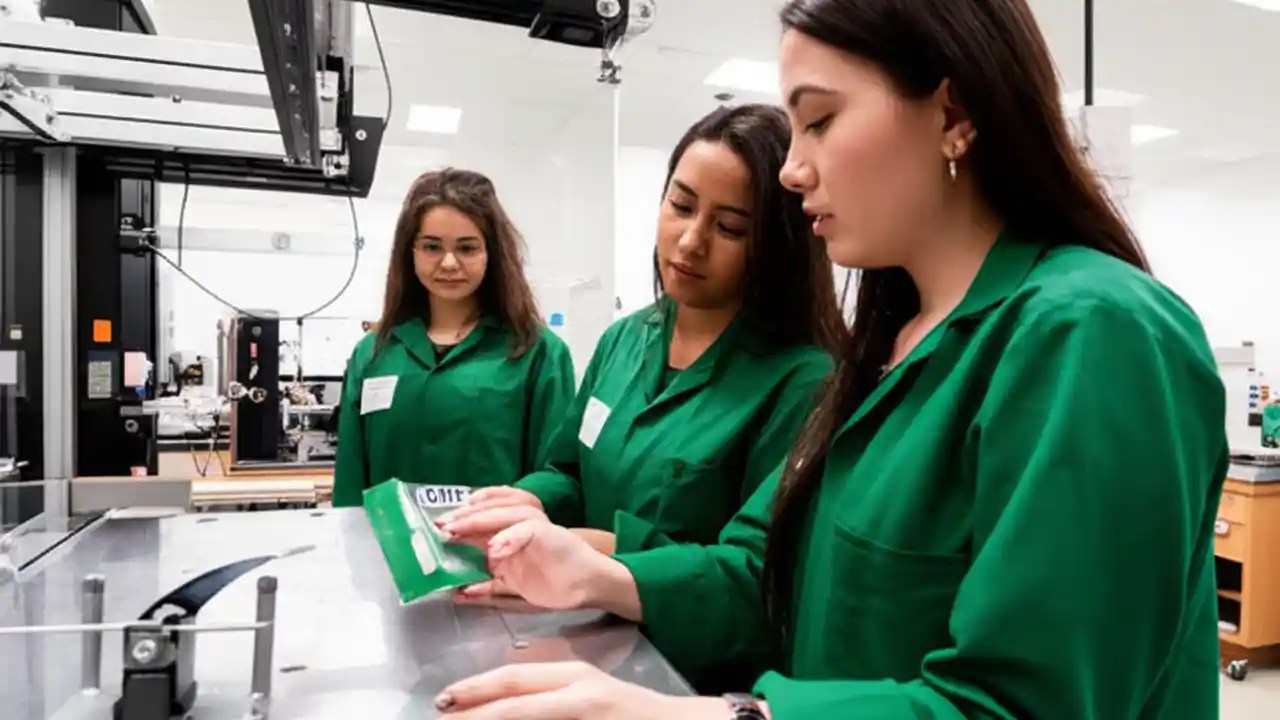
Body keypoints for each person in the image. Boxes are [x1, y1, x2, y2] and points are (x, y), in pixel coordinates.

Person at [433, 1, 1229, 719]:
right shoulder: (887, 354)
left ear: (952, 112)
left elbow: (1024, 703)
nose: (792, 168)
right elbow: (767, 577)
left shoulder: (1093, 333)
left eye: (818, 121)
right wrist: (589, 574)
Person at [439, 104, 847, 562]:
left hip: (656, 611)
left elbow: (755, 569)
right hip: (572, 601)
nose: (691, 241)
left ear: (777, 245)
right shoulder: (624, 340)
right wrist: (530, 500)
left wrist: (601, 553)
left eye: (730, 228)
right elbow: (568, 470)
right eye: (681, 206)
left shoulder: (803, 382)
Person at [332, 168, 575, 507]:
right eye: (432, 247)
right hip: (387, 540)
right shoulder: (373, 354)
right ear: (410, 252)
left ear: (492, 254)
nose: (448, 263)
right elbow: (350, 479)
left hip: (495, 540)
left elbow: (558, 472)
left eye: (467, 248)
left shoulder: (537, 352)